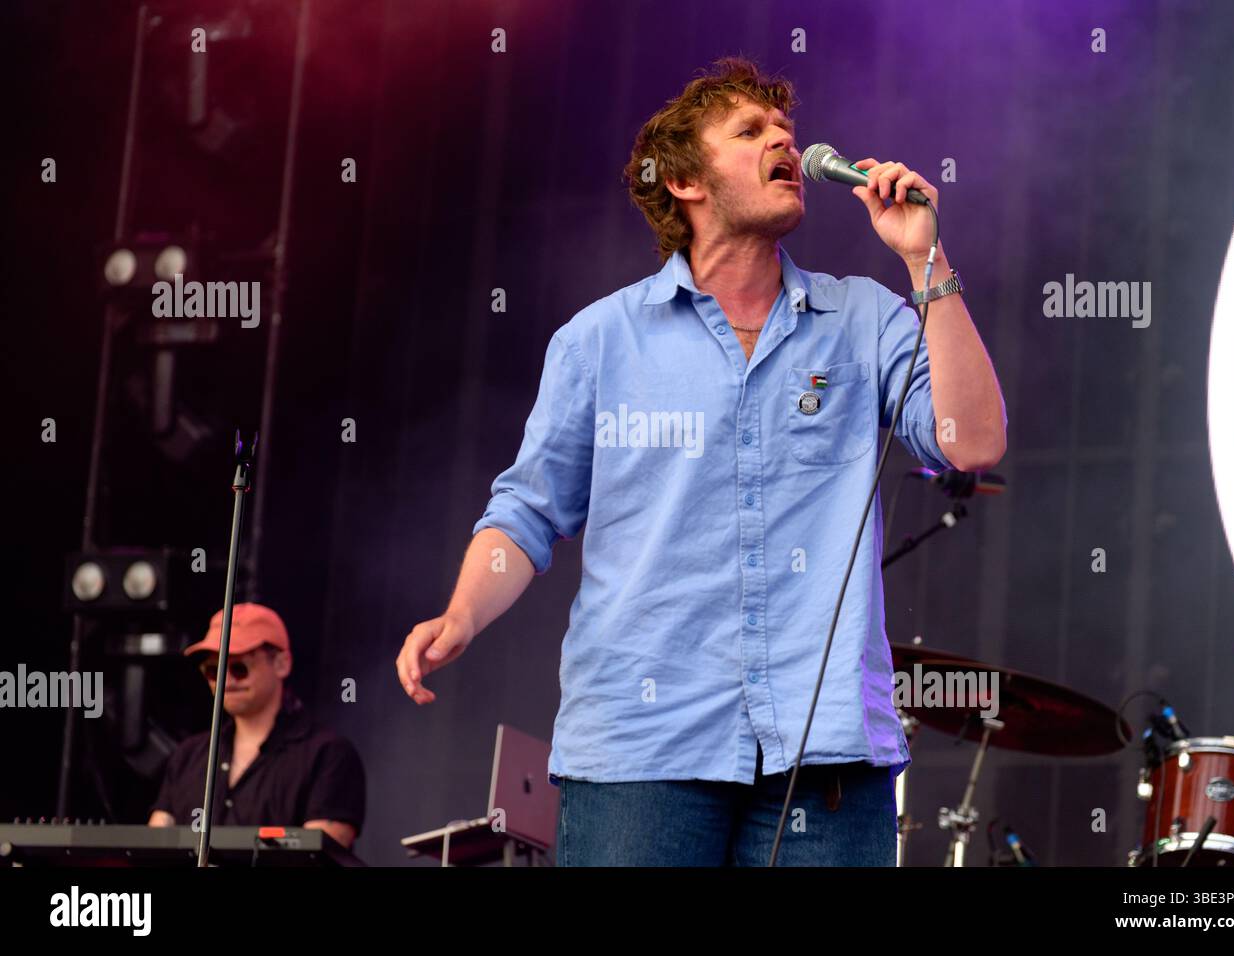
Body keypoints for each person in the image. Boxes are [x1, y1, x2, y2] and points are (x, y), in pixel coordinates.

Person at [396, 56, 1006, 865]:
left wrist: (925, 260)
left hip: (823, 757)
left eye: (785, 130)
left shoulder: (860, 316)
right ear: (684, 180)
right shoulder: (599, 342)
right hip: (642, 756)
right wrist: (463, 612)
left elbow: (975, 440)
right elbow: (527, 513)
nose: (783, 142)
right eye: (751, 131)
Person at [149, 603, 365, 850]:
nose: (225, 680)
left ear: (281, 664)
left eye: (239, 668)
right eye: (212, 670)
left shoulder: (328, 754)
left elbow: (320, 855)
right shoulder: (188, 754)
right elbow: (154, 847)